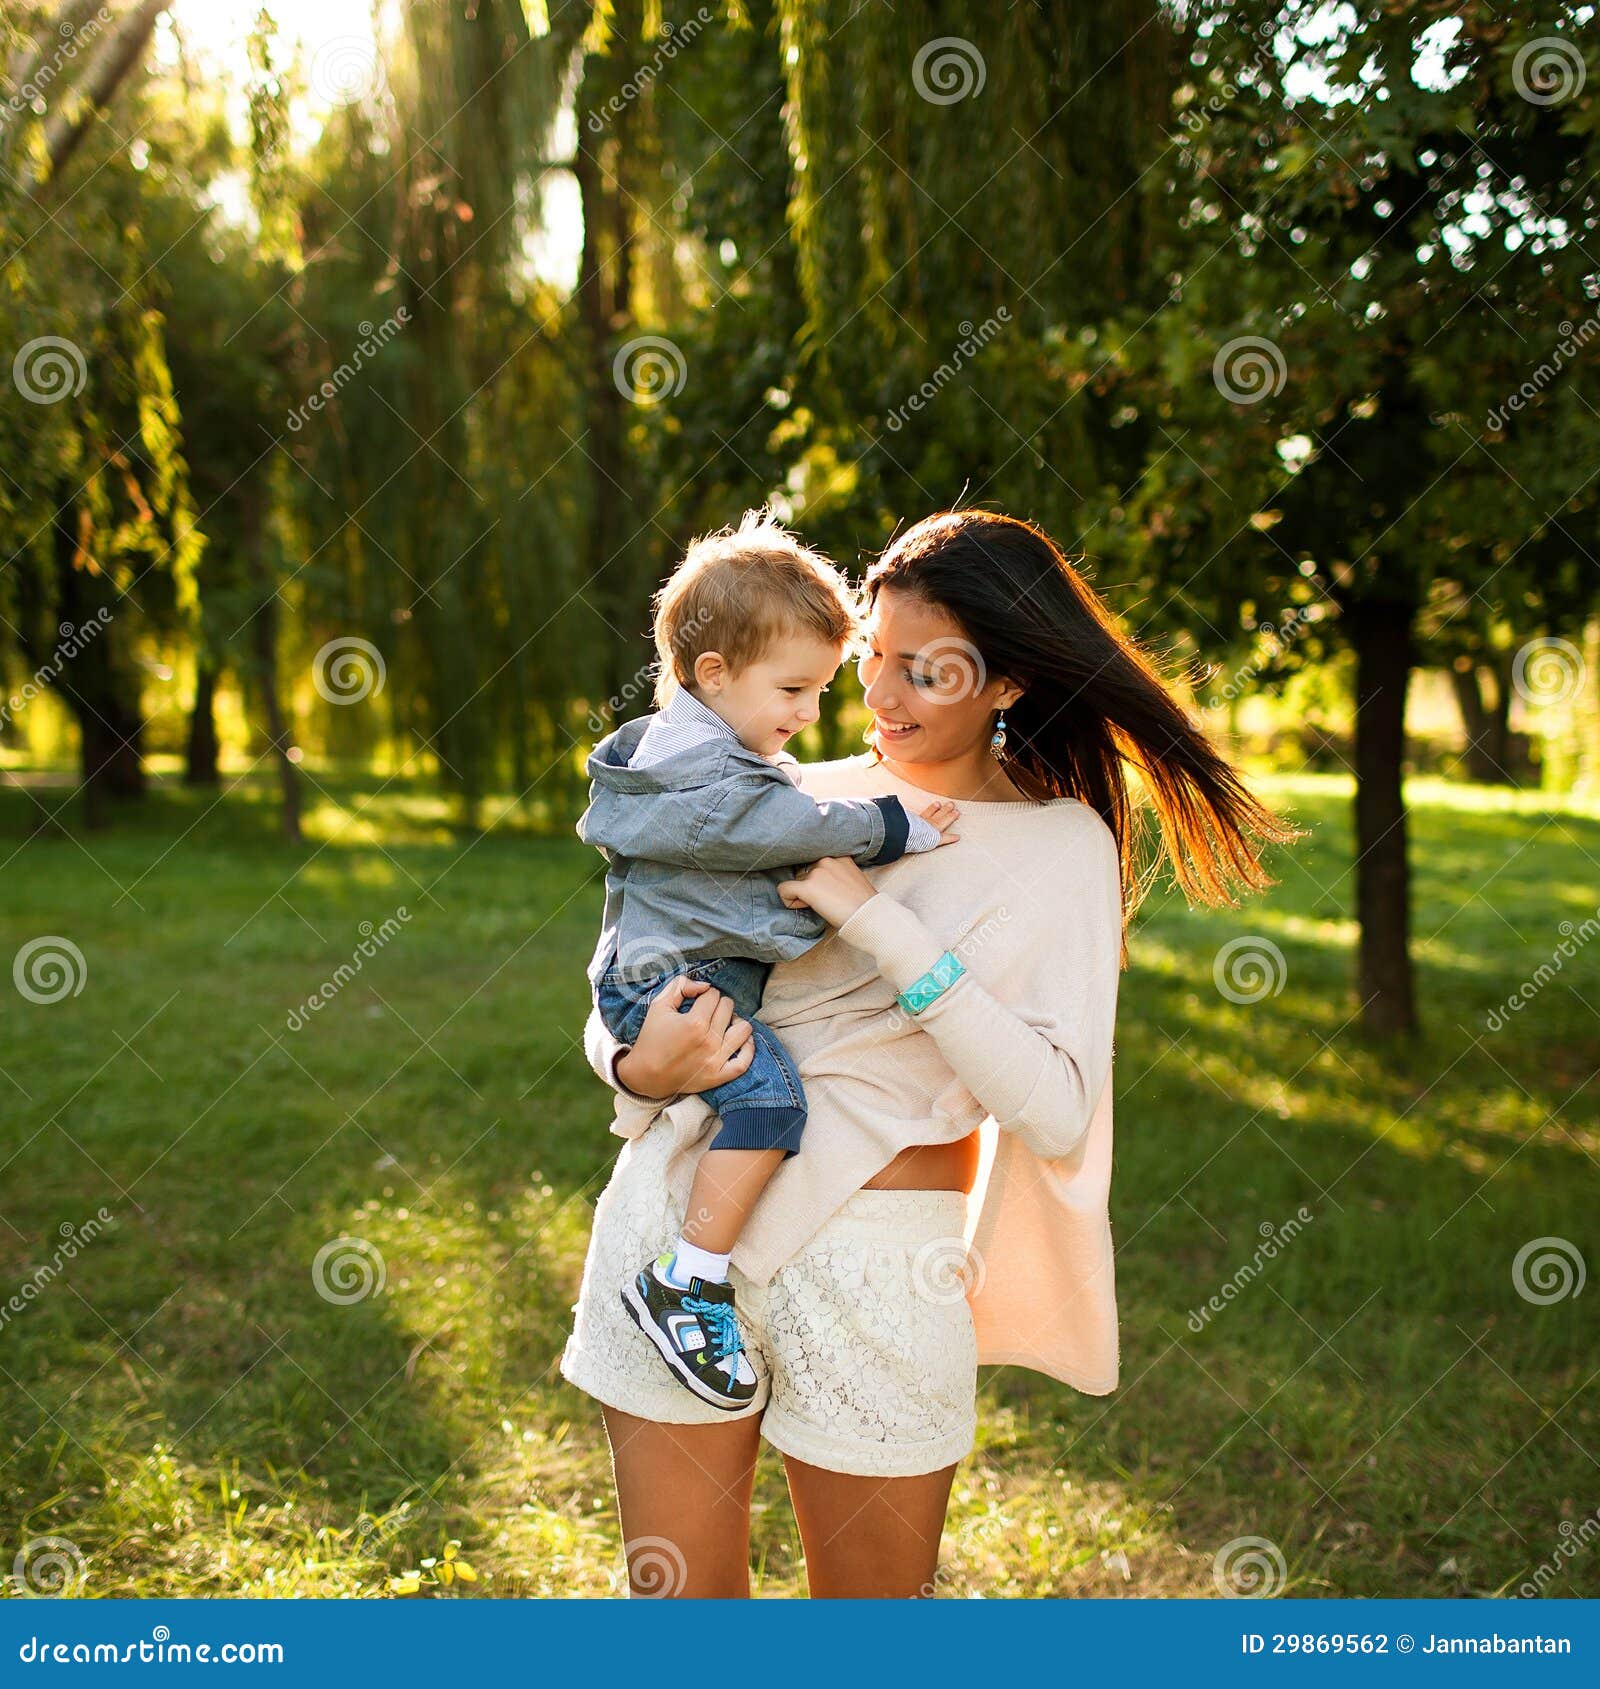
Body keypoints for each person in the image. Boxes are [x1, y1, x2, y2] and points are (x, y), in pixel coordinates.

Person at [560, 509, 1296, 1598]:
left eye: (927, 671)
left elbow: (1054, 1111)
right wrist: (633, 1069)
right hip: (673, 1226)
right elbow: (633, 958)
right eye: (875, 664)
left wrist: (881, 925)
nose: (882, 700)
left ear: (1007, 682)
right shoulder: (783, 797)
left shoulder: (1060, 848)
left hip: (881, 1266)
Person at [578, 514, 959, 1412]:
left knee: (766, 1099)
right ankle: (691, 1276)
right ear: (713, 674)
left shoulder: (691, 758)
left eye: (822, 690)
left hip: (660, 982)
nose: (808, 715)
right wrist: (891, 827)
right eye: (794, 689)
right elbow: (778, 828)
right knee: (774, 1102)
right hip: (678, 990)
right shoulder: (710, 784)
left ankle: (695, 1269)